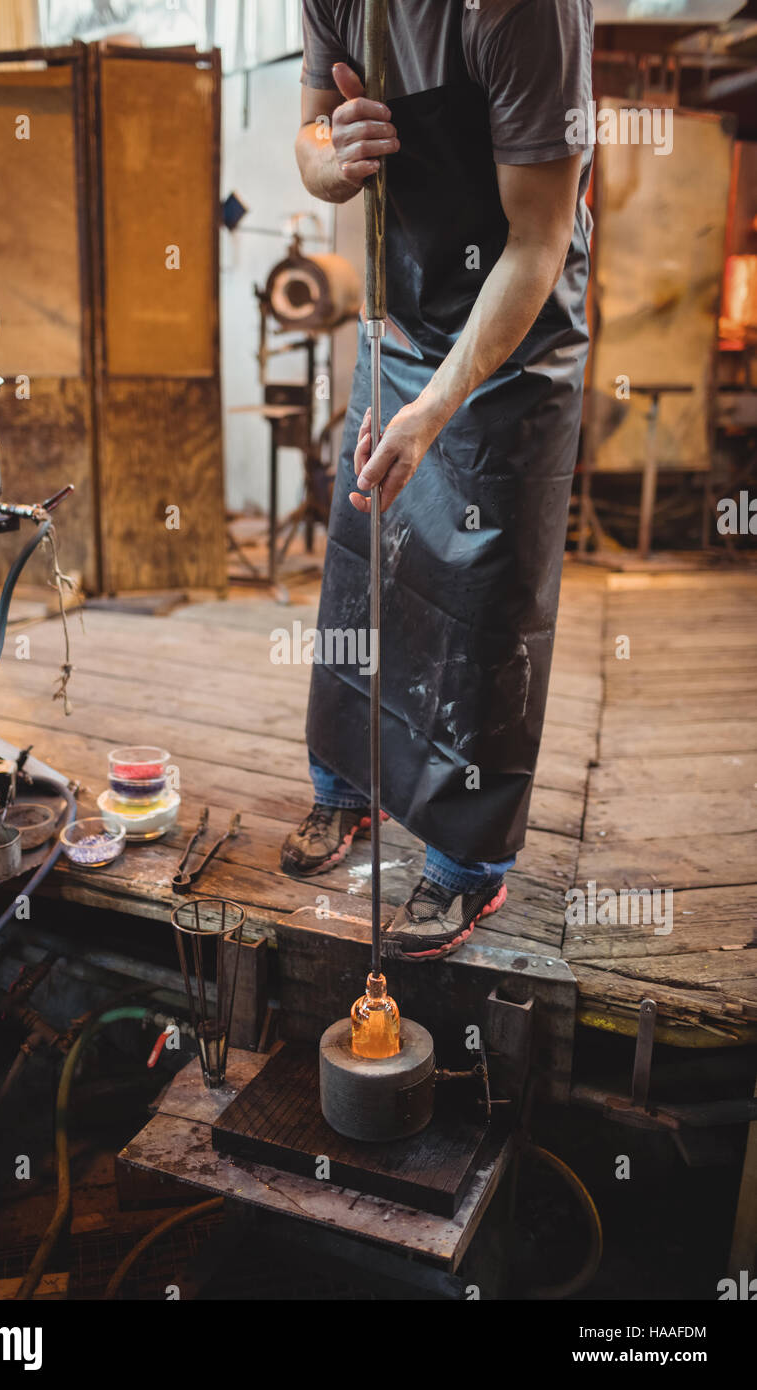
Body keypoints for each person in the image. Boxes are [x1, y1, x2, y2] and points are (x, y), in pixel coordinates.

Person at [281, 0, 594, 961]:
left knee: (485, 595)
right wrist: (334, 160)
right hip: (403, 306)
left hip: (513, 332)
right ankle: (346, 785)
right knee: (363, 554)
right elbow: (307, 139)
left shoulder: (524, 12)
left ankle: (465, 862)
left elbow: (537, 239)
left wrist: (436, 407)